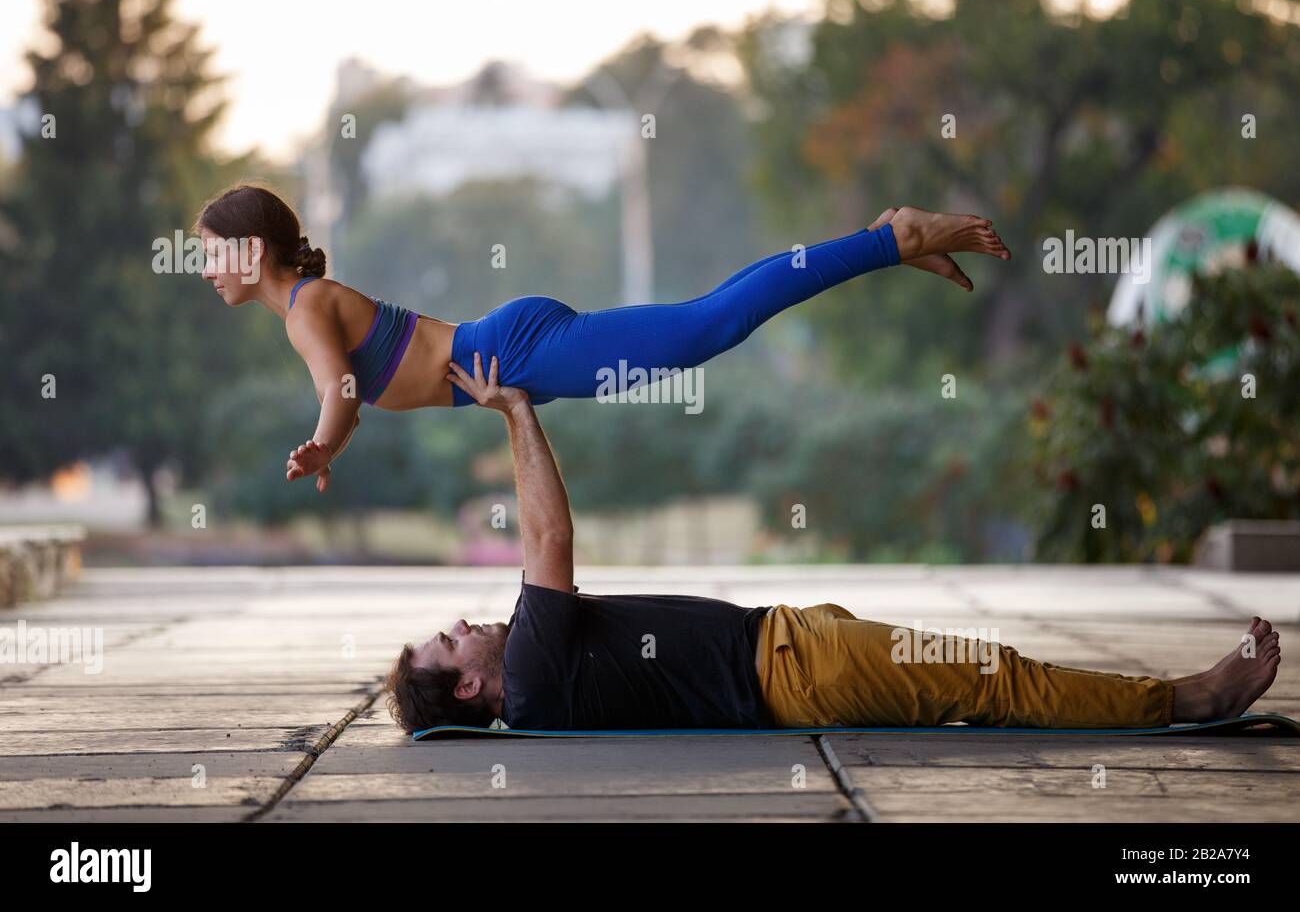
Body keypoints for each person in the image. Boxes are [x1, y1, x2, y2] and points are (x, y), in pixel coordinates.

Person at [383, 356, 1283, 733]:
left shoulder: (537, 687)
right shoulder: (533, 670)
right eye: (449, 638)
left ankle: (1174, 698)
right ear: (469, 685)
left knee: (979, 674)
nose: (462, 622)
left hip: (792, 645)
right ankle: (1186, 700)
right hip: (794, 668)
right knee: (994, 677)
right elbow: (548, 531)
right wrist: (517, 410)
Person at [195, 184, 1010, 491]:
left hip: (512, 352)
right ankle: (878, 242)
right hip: (511, 354)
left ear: (252, 251)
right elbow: (351, 394)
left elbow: (340, 393)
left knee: (712, 323)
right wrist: (329, 443)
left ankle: (893, 239)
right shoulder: (307, 304)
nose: (204, 270)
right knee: (710, 317)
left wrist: (322, 448)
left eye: (210, 253)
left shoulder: (304, 309)